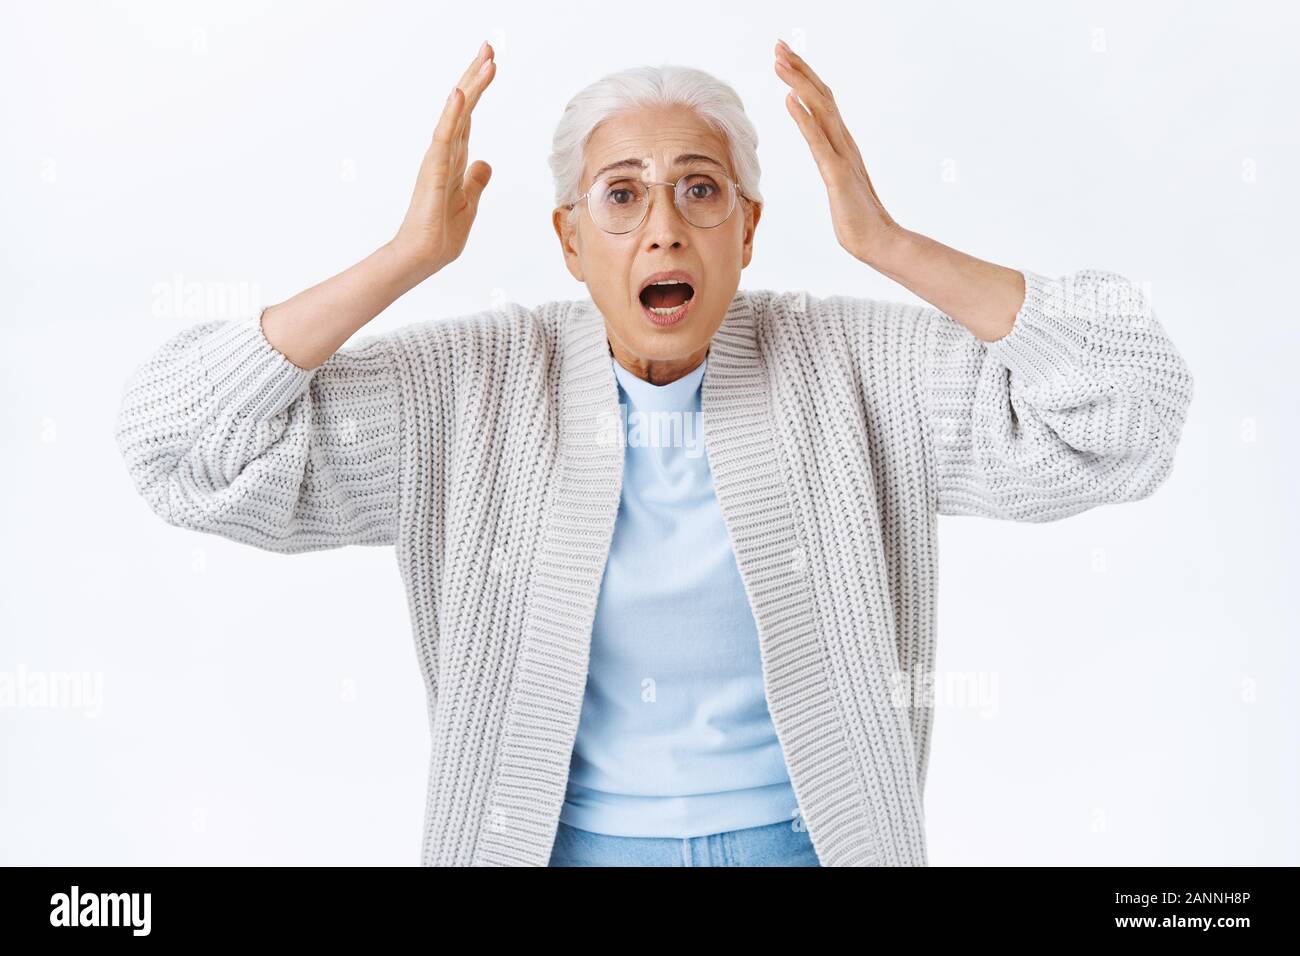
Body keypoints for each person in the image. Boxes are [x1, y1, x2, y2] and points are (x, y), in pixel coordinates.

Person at [113, 40, 1195, 867]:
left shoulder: (853, 365)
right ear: (570, 240)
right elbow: (179, 445)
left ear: (748, 228)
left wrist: (889, 244)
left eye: (700, 188)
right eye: (620, 194)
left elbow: (1128, 411)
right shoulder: (475, 386)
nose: (663, 228)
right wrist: (405, 258)